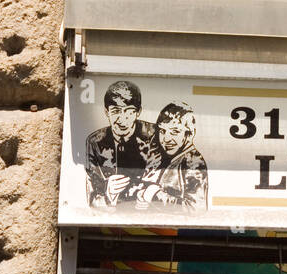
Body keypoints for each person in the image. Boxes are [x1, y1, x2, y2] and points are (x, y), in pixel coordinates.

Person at [85, 80, 159, 208]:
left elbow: (159, 181)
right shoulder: (95, 142)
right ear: (107, 112)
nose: (122, 119)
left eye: (129, 111)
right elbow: (91, 196)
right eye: (116, 111)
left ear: (138, 112)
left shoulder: (154, 136)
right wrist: (108, 193)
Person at [134, 102, 208, 211]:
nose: (167, 139)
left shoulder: (193, 161)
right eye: (163, 131)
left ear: (190, 134)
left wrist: (155, 195)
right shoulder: (161, 155)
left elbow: (195, 208)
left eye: (175, 132)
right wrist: (142, 196)